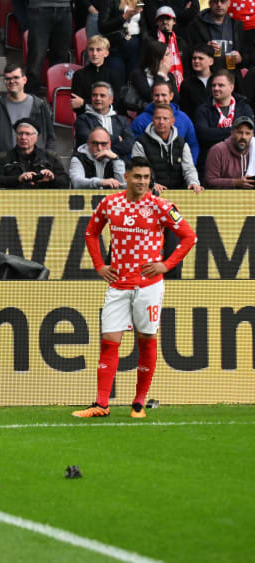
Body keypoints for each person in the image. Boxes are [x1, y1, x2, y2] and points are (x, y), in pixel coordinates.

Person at [73, 157, 197, 419]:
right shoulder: (110, 203)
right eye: (137, 176)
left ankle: (138, 404)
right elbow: (91, 233)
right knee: (109, 341)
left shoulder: (161, 206)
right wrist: (99, 266)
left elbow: (189, 236)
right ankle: (101, 404)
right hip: (118, 283)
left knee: (147, 340)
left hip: (149, 286)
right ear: (126, 176)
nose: (142, 182)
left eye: (146, 177)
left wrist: (166, 265)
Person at [131, 103, 203, 192]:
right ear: (153, 120)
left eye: (165, 118)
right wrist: (151, 184)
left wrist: (194, 183)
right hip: (151, 193)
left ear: (172, 121)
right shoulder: (140, 143)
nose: (161, 122)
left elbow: (189, 169)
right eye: (158, 118)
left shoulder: (182, 143)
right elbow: (138, 169)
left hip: (179, 193)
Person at [193, 69, 254, 170]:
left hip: (240, 163)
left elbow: (251, 133)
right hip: (211, 162)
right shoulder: (203, 109)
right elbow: (203, 135)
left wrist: (217, 133)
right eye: (213, 85)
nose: (216, 88)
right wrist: (235, 131)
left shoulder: (244, 107)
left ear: (231, 87)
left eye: (221, 85)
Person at [0, 64, 55, 155]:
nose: (12, 81)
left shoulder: (39, 105)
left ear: (24, 80)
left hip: (36, 163)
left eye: (16, 77)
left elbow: (50, 137)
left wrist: (48, 161)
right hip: (6, 164)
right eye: (8, 79)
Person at [130, 80, 200, 162]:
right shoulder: (140, 121)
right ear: (152, 96)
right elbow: (133, 148)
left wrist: (189, 165)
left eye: (164, 95)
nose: (160, 99)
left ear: (171, 96)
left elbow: (193, 145)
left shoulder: (184, 118)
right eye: (157, 95)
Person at [0, 118, 69, 188]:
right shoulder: (2, 157)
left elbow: (66, 182)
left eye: (28, 134)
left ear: (36, 137)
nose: (23, 137)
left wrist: (53, 178)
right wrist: (18, 179)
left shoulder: (51, 157)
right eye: (20, 133)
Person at [184, 0, 248, 83]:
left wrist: (241, 58)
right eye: (215, 1)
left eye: (223, 1)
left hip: (232, 80)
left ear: (229, 3)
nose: (219, 5)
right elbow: (186, 53)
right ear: (209, 3)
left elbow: (249, 55)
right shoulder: (195, 25)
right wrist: (204, 48)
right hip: (204, 81)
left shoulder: (237, 25)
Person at [74, 81, 134, 159]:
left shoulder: (121, 120)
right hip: (90, 164)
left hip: (119, 163)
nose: (98, 98)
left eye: (102, 96)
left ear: (111, 100)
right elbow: (88, 140)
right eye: (94, 95)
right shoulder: (82, 120)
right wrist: (116, 138)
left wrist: (107, 152)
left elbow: (130, 144)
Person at [70, 35, 122, 114]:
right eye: (91, 49)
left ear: (106, 53)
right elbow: (76, 106)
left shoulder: (113, 75)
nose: (94, 53)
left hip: (108, 119)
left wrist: (84, 103)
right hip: (86, 120)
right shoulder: (79, 75)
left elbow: (116, 104)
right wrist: (104, 102)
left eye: (98, 50)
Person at [203, 114, 255, 187]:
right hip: (223, 197)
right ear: (232, 133)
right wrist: (236, 182)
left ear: (253, 135)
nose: (243, 137)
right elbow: (209, 181)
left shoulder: (253, 150)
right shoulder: (217, 150)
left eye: (247, 133)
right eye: (240, 132)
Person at [128, 39, 180, 107]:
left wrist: (165, 76)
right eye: (167, 54)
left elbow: (176, 99)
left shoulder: (169, 76)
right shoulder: (138, 74)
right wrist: (161, 74)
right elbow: (150, 97)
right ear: (158, 58)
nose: (170, 57)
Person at [180, 44, 215, 116]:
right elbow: (184, 110)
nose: (196, 61)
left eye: (200, 58)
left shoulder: (219, 80)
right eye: (194, 58)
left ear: (211, 61)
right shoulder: (186, 84)